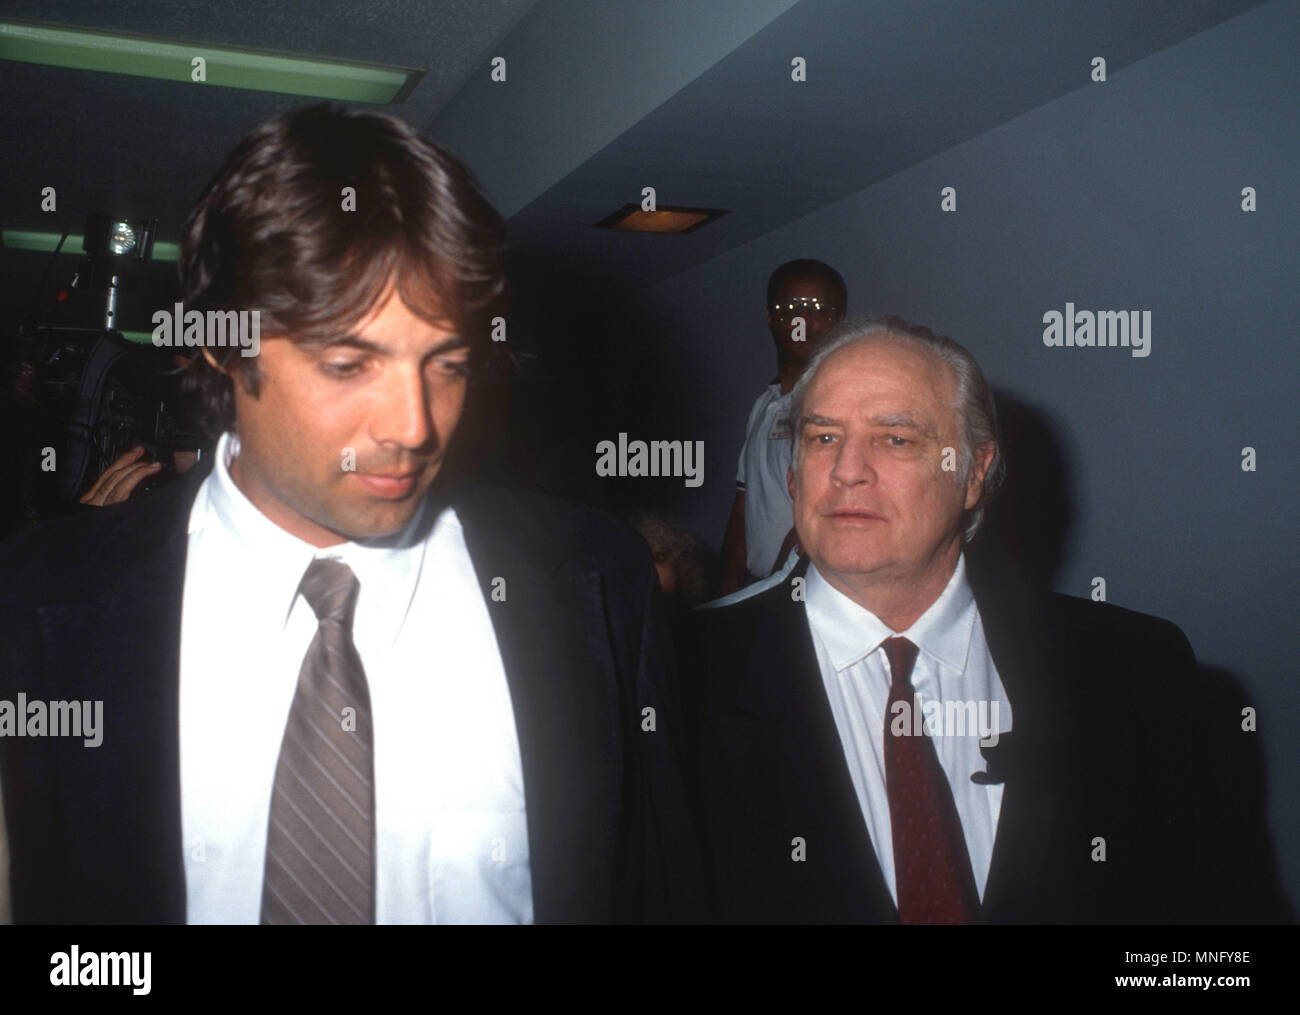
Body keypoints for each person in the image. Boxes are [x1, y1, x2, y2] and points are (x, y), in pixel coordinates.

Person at [0, 103, 702, 925]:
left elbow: (659, 888)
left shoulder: (595, 578)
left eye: (447, 363)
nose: (413, 425)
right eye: (347, 363)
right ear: (222, 347)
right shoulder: (37, 601)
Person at [685, 316, 1289, 923]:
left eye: (895, 439)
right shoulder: (676, 676)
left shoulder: (1134, 669)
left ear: (974, 471)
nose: (846, 470)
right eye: (821, 438)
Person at [718, 259, 846, 594]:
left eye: (820, 308)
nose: (805, 321)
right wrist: (728, 587)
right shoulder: (766, 403)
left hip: (810, 588)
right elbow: (744, 504)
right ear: (771, 318)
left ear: (839, 320)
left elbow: (825, 508)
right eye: (791, 308)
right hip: (766, 589)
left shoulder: (841, 404)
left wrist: (773, 591)